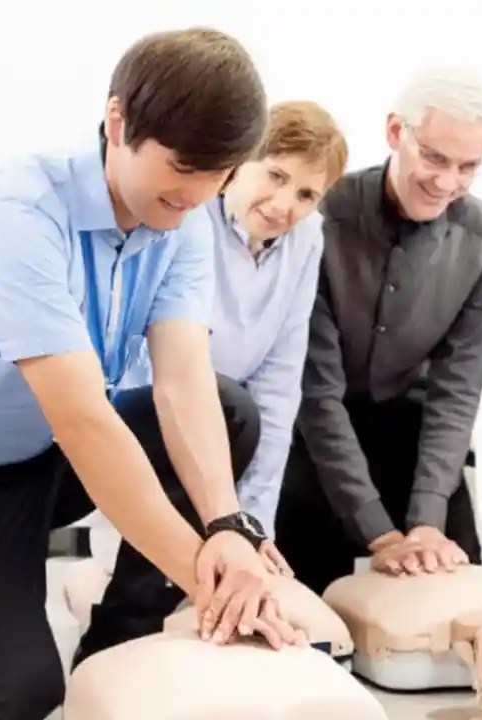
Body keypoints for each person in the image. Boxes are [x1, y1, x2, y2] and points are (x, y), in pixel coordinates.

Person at [0, 28, 301, 720]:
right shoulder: (21, 211)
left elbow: (182, 382)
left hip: (40, 459)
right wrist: (210, 577)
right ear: (118, 121)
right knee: (15, 698)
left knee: (228, 407)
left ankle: (114, 645)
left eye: (220, 173)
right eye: (184, 165)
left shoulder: (184, 217)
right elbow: (83, 418)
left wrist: (230, 527)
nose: (199, 192)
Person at [274, 67, 482, 596]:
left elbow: (456, 391)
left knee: (454, 589)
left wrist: (426, 521)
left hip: (413, 435)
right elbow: (317, 394)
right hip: (316, 442)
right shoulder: (323, 216)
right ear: (396, 133)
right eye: (435, 158)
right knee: (306, 603)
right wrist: (379, 533)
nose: (448, 182)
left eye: (468, 167)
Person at [115, 100, 347, 561]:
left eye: (306, 195)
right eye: (276, 176)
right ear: (240, 164)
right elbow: (152, 372)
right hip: (156, 417)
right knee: (225, 408)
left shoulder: (307, 239)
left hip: (230, 428)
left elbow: (279, 385)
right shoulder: (187, 219)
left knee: (252, 419)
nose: (284, 205)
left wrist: (255, 523)